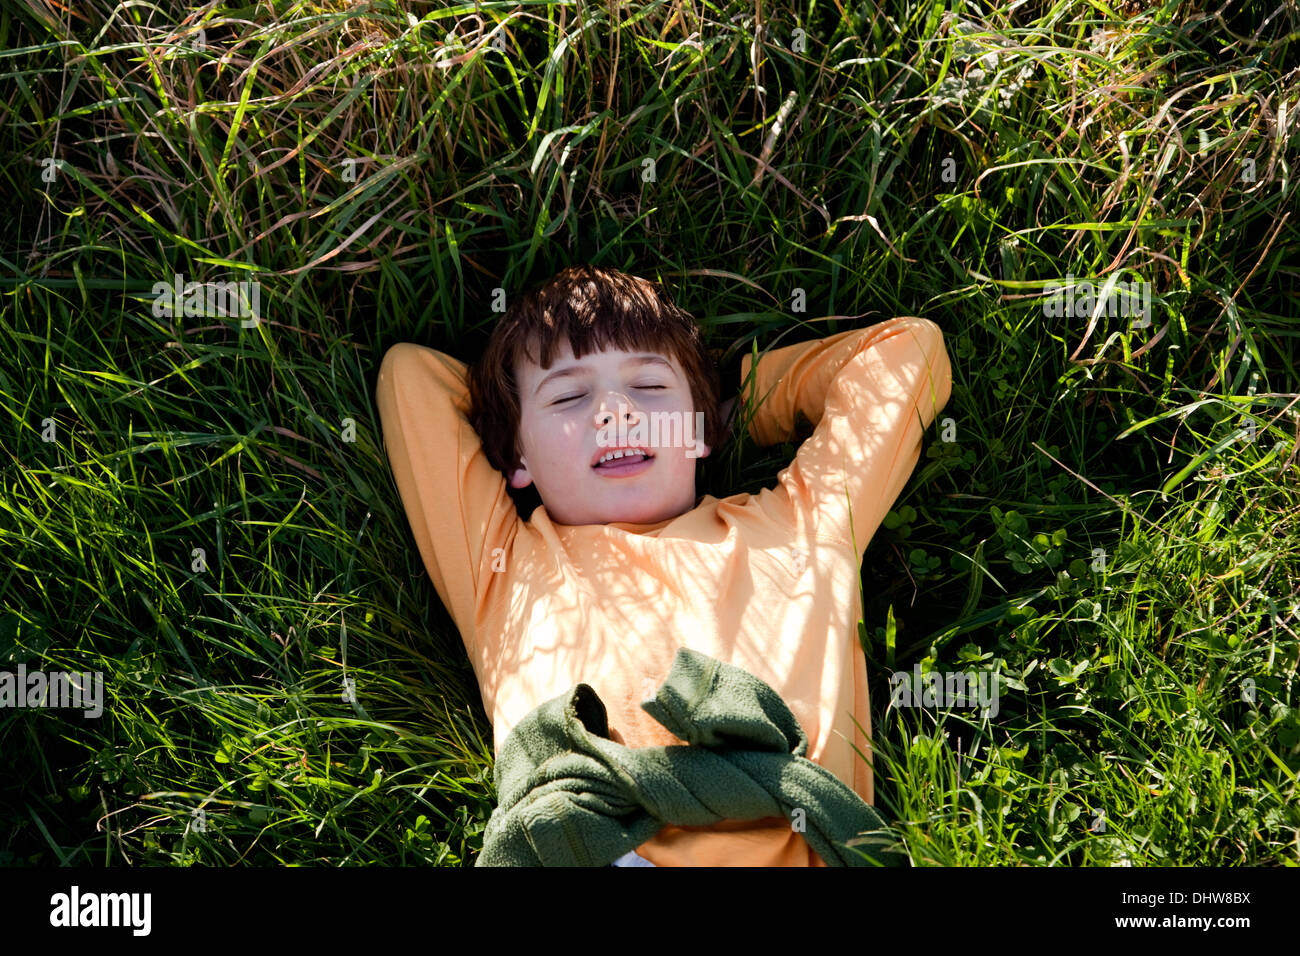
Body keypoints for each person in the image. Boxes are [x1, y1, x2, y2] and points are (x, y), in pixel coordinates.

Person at [375, 264, 952, 865]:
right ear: (516, 457)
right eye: (570, 396)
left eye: (650, 389)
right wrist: (508, 418)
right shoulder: (502, 567)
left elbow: (908, 352)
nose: (615, 411)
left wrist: (730, 411)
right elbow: (411, 378)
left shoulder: (802, 526)